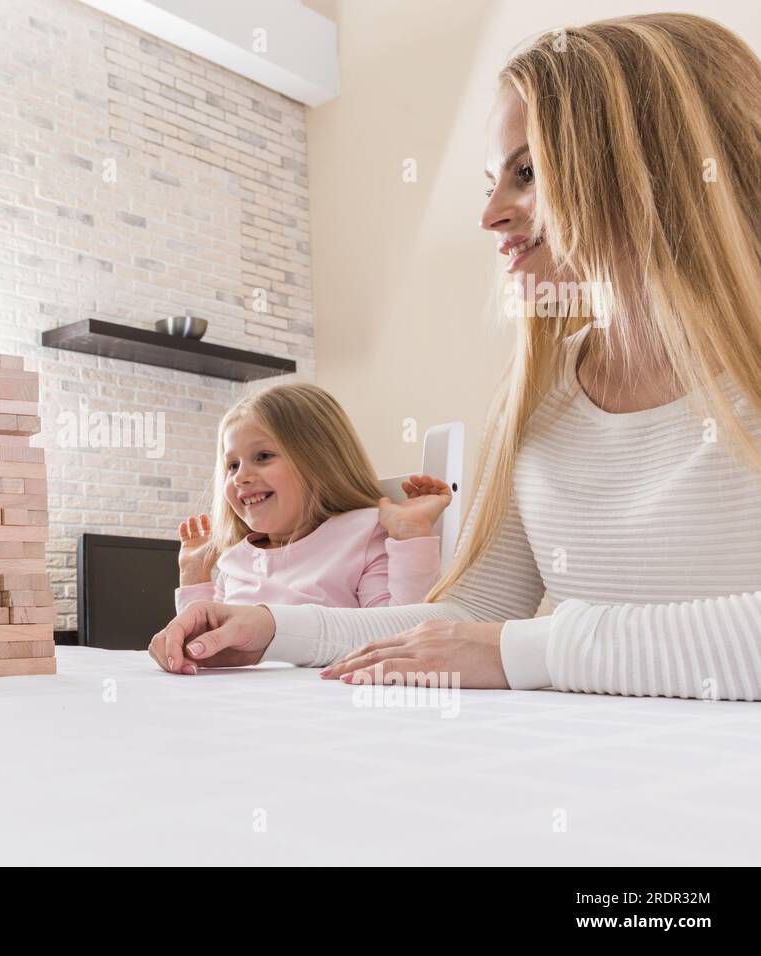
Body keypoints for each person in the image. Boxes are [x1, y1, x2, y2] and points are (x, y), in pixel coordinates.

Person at [148, 14, 761, 701]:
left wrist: (529, 648)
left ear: (650, 167)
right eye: (493, 179)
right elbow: (469, 619)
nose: (490, 214)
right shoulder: (542, 395)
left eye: (527, 172)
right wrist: (270, 628)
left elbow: (498, 643)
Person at [170, 384, 450, 659]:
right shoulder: (236, 559)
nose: (240, 477)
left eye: (263, 456)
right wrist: (195, 576)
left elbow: (404, 636)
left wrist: (410, 534)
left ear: (320, 460)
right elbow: (203, 649)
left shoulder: (360, 536)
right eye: (232, 465)